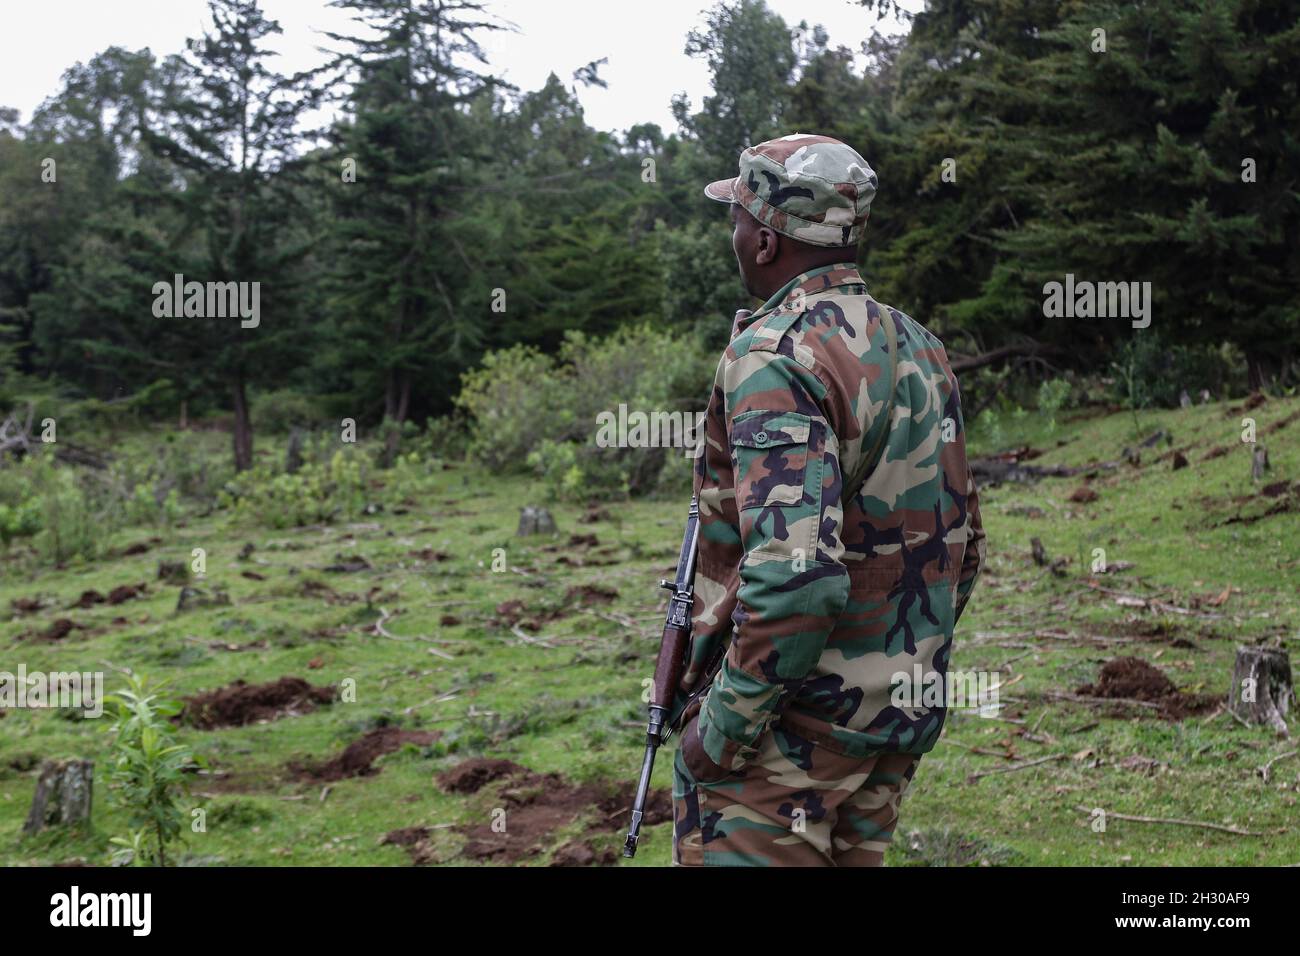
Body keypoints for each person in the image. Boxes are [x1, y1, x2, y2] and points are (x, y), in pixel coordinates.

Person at [672, 133, 986, 866]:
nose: (735, 232)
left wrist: (721, 731)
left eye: (740, 217)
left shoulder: (773, 357)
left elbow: (795, 579)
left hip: (785, 741)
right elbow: (960, 545)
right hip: (891, 724)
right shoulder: (921, 346)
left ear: (767, 241)